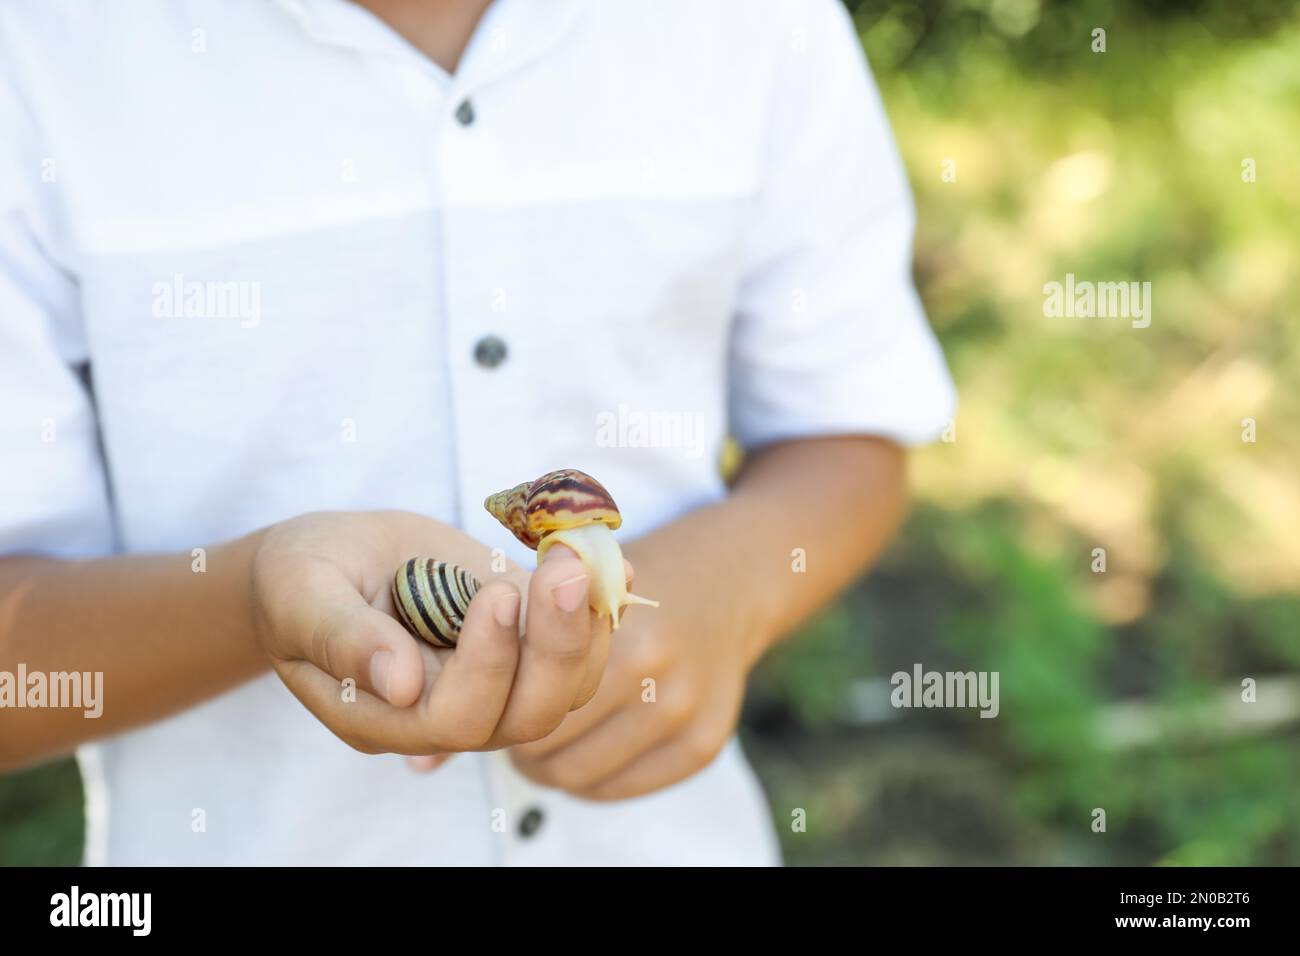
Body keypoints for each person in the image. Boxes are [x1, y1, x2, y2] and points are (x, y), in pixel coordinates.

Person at [0, 0, 955, 865]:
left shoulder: (752, 27)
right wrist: (251, 601)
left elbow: (849, 426)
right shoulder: (41, 51)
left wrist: (726, 583)